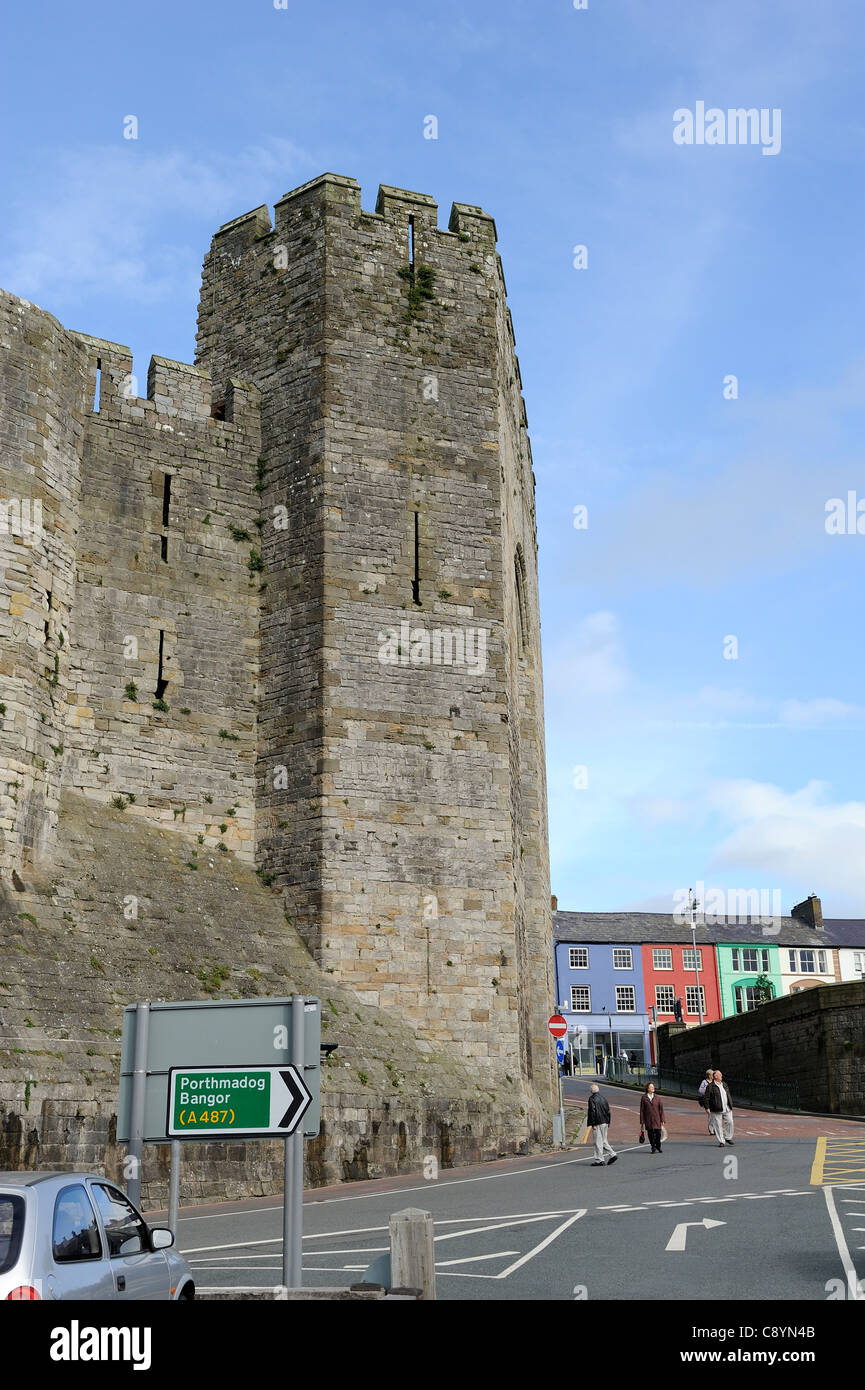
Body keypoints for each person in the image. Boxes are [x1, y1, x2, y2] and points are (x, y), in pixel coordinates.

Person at [587, 1083, 618, 1166]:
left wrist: (593, 1124)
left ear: (591, 1091)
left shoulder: (592, 1099)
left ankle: (599, 1160)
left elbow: (592, 1111)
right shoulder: (603, 1098)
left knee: (598, 1142)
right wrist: (608, 1122)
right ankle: (613, 1154)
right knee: (604, 1140)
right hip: (605, 1122)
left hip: (597, 1122)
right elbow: (608, 1111)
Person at [705, 1070, 735, 1146]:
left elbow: (728, 1095)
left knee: (730, 1122)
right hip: (716, 1108)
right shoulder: (710, 1086)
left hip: (727, 1107)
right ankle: (722, 1141)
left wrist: (730, 1103)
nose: (721, 1076)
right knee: (718, 1125)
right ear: (715, 1076)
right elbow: (706, 1098)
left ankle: (728, 1137)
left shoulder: (724, 1084)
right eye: (720, 1075)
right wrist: (707, 1107)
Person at [639, 1082, 665, 1153]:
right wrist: (642, 1121)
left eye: (653, 1087)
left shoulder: (658, 1098)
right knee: (650, 1135)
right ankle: (653, 1147)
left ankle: (658, 1146)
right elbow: (642, 1110)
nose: (653, 1088)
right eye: (651, 1087)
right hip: (648, 1120)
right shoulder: (644, 1098)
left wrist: (662, 1119)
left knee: (658, 1134)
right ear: (647, 1089)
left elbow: (661, 1109)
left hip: (657, 1119)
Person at [697, 1068, 714, 1135]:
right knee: (711, 1115)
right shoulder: (704, 1082)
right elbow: (700, 1090)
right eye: (712, 1075)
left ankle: (715, 1129)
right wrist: (707, 1090)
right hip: (708, 1100)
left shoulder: (714, 1082)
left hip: (714, 1100)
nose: (713, 1076)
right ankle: (711, 1129)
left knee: (715, 1115)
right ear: (709, 1075)